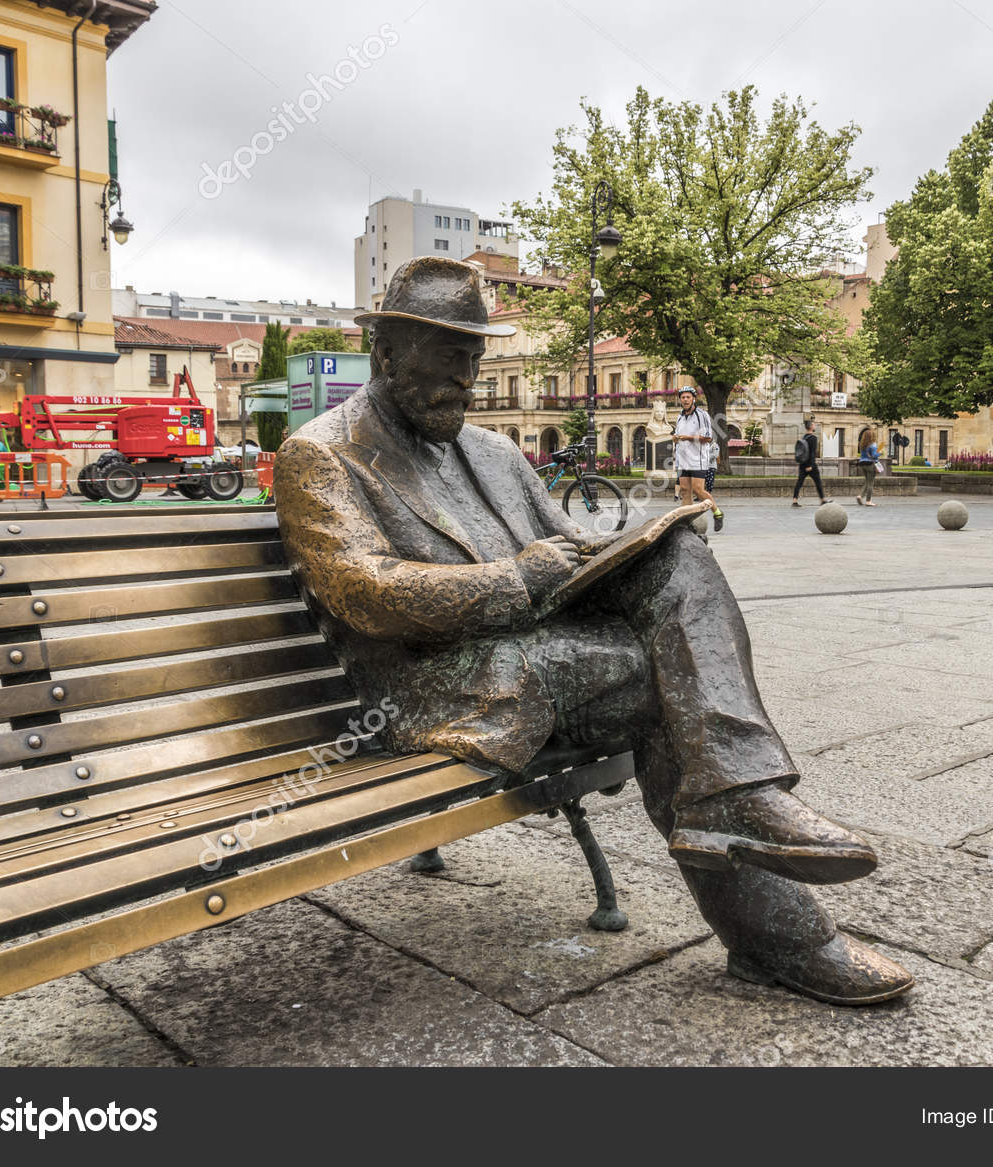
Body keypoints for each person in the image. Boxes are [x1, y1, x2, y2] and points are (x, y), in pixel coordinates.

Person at [277, 257, 912, 1005]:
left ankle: (742, 808)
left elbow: (569, 546)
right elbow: (367, 593)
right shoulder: (320, 454)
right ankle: (777, 919)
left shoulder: (492, 452)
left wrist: (628, 547)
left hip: (540, 658)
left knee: (678, 563)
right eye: (449, 358)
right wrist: (519, 579)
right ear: (385, 353)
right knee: (670, 689)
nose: (468, 378)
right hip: (431, 687)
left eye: (474, 358)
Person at [672, 386, 721, 530]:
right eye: (683, 397)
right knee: (684, 490)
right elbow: (678, 436)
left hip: (697, 459)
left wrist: (687, 437)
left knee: (698, 490)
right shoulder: (680, 417)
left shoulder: (701, 415)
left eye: (688, 397)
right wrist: (675, 439)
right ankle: (686, 524)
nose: (685, 400)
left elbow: (708, 438)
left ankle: (717, 513)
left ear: (693, 399)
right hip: (683, 460)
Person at [791, 418, 828, 507]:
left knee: (799, 482)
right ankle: (823, 500)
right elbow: (812, 453)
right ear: (811, 426)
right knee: (818, 482)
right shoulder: (813, 438)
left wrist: (805, 464)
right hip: (810, 465)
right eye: (814, 424)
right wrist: (810, 465)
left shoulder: (804, 437)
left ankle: (794, 500)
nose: (815, 426)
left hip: (802, 464)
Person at [855, 434, 884, 506]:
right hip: (870, 464)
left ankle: (860, 496)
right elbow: (874, 455)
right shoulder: (873, 445)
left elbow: (862, 455)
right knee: (871, 483)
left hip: (862, 464)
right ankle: (868, 501)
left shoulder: (862, 445)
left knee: (867, 482)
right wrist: (880, 452)